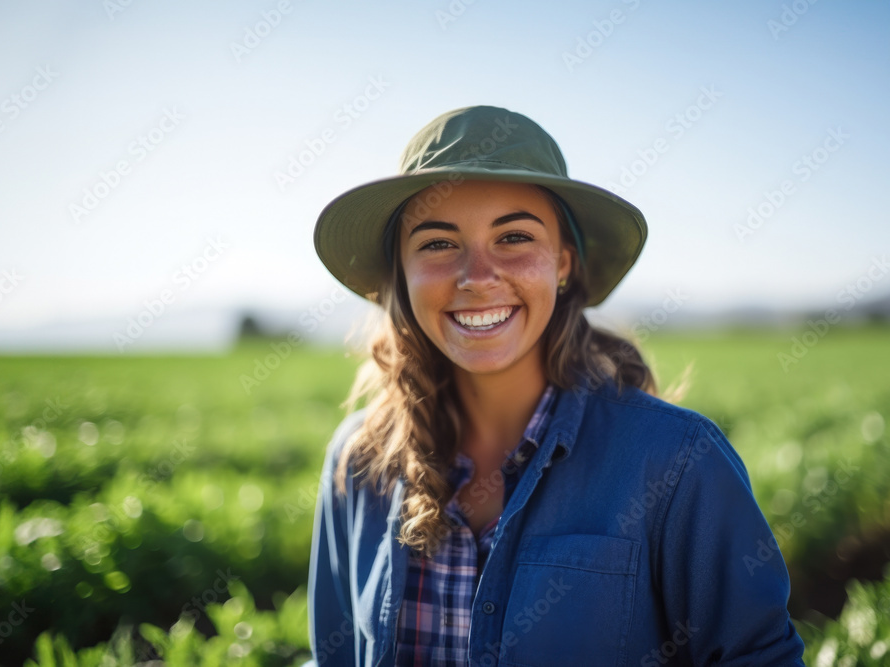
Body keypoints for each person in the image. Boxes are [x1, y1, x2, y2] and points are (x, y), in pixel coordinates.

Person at [304, 105, 806, 666]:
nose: (477, 277)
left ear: (563, 264)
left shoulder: (679, 463)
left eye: (514, 236)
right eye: (439, 244)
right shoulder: (357, 463)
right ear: (401, 272)